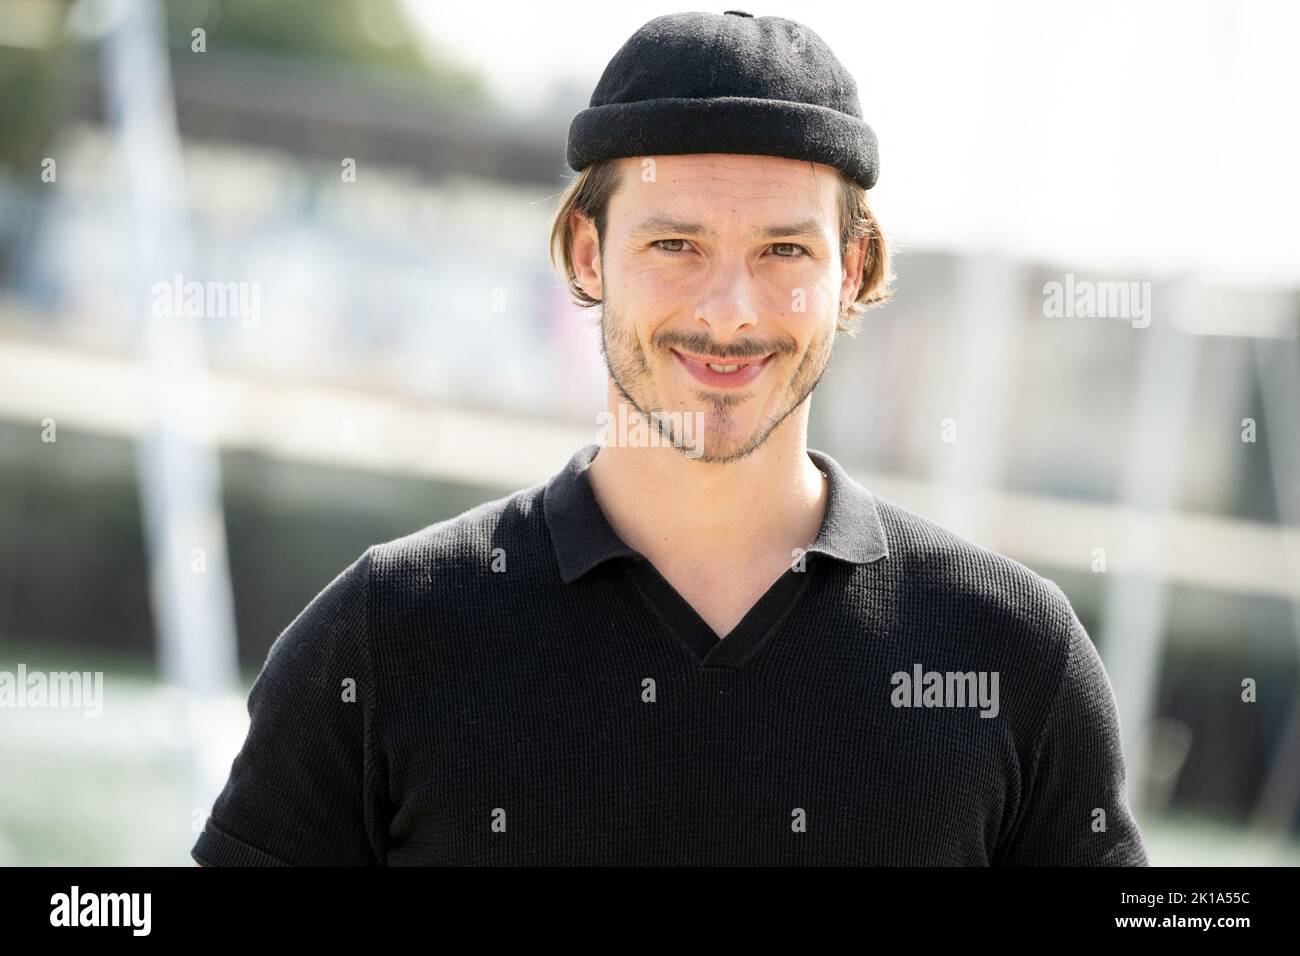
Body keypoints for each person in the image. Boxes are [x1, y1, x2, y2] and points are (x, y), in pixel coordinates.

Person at [192, 10, 1147, 866]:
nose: (729, 314)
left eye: (784, 251)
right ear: (586, 252)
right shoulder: (386, 637)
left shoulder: (1013, 657)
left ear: (852, 271)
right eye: (674, 245)